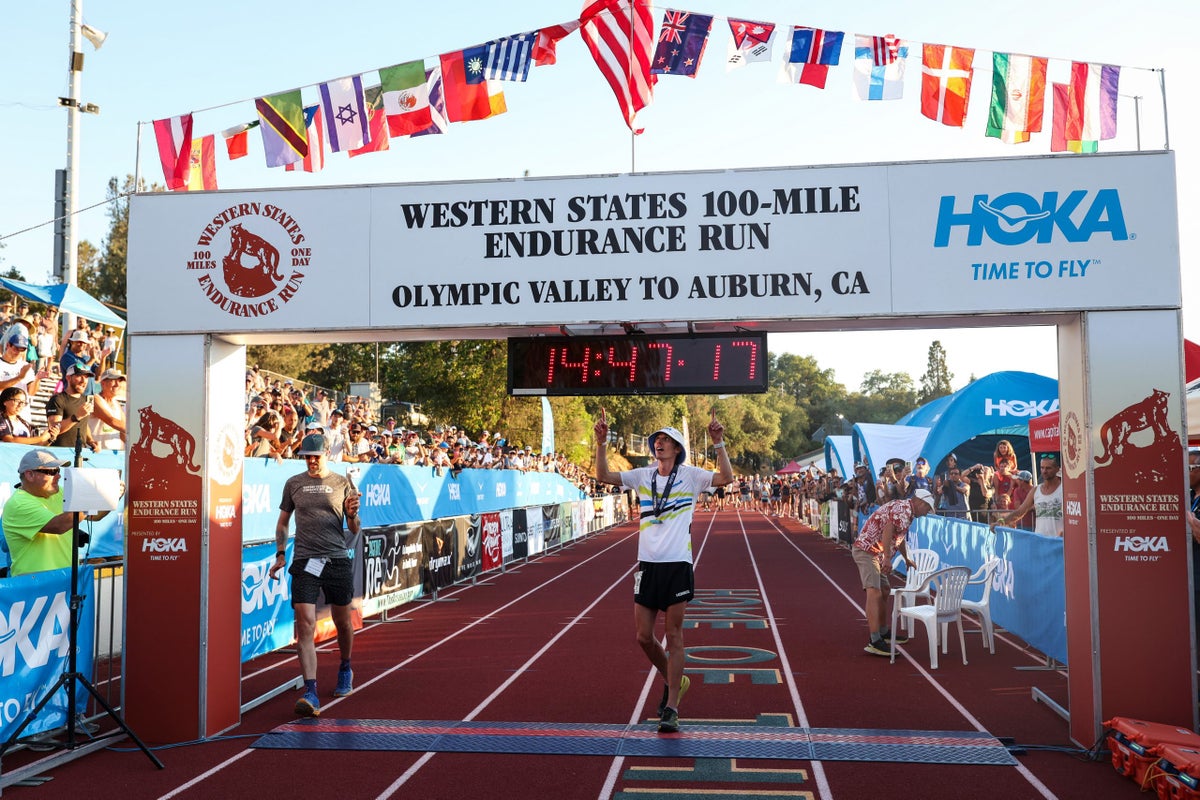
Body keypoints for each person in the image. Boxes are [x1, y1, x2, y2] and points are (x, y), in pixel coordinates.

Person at [593, 409, 734, 734]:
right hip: (647, 565)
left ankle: (671, 707)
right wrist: (601, 443)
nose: (659, 442)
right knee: (643, 637)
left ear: (677, 448)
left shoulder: (691, 476)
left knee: (675, 636)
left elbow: (725, 478)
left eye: (665, 439)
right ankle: (675, 678)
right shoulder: (642, 476)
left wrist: (718, 443)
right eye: (656, 439)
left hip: (677, 565)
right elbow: (604, 475)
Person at [268, 433, 361, 717]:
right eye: (306, 456)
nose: (311, 461)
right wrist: (280, 553)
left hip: (336, 560)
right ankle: (311, 691)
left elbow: (354, 528)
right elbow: (283, 523)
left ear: (326, 455)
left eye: (315, 456)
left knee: (342, 622)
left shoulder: (342, 483)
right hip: (305, 561)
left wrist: (352, 515)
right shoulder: (293, 484)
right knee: (305, 624)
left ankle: (345, 667)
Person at [2, 449, 116, 576]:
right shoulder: (18, 504)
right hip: (36, 583)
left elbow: (94, 516)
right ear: (29, 475)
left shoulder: (58, 492)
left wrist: (111, 496)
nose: (58, 476)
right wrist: (90, 500)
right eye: (52, 471)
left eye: (58, 470)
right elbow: (59, 525)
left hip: (65, 578)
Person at [852, 488, 937, 656]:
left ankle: (883, 632)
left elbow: (899, 537)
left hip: (874, 552)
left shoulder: (906, 510)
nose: (926, 514)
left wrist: (906, 558)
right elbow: (888, 529)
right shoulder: (904, 510)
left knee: (884, 590)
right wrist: (887, 558)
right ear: (920, 502)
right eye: (927, 509)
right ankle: (875, 640)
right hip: (868, 551)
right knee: (874, 592)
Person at [998, 455, 1064, 537]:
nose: (1044, 471)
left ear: (1057, 469)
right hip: (1040, 539)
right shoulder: (1036, 490)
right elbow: (1019, 511)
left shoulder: (1064, 490)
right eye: (1042, 468)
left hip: (1059, 541)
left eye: (1048, 468)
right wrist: (1001, 522)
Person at [45, 363, 98, 451]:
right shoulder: (57, 399)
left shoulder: (86, 399)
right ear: (68, 377)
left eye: (86, 377)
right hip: (59, 453)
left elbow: (83, 424)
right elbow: (54, 430)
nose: (83, 381)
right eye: (79, 376)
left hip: (80, 452)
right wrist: (76, 417)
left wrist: (91, 441)